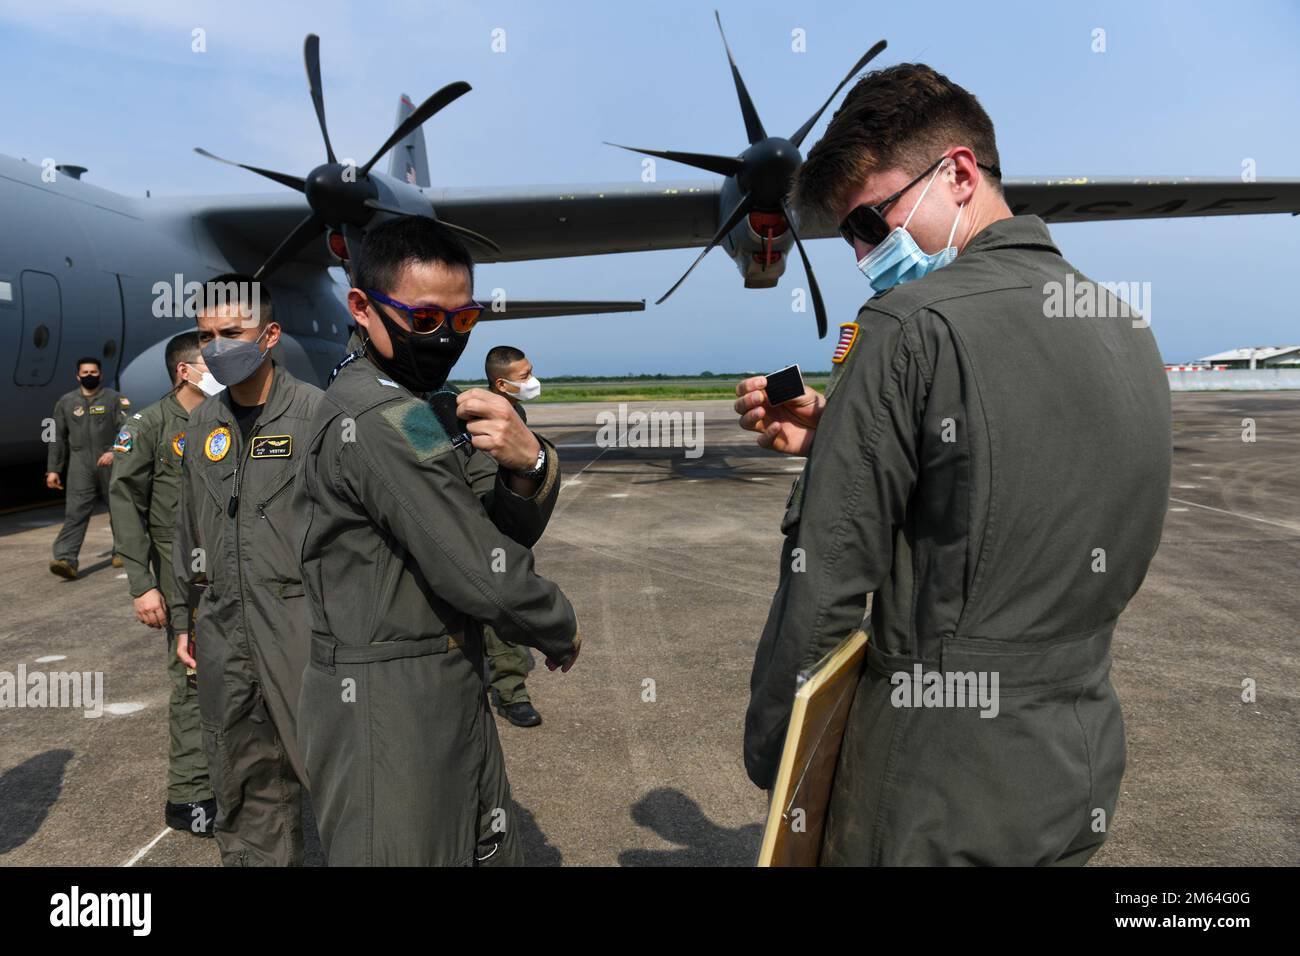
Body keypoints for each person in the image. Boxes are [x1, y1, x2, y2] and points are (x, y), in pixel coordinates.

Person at [735, 64, 1171, 865]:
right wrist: (851, 433)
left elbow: (827, 574)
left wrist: (776, 755)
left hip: (930, 789)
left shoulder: (905, 326)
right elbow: (1024, 475)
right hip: (1075, 767)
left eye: (872, 223)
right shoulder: (1124, 325)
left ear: (959, 174)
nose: (866, 254)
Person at [295, 216, 580, 866]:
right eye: (424, 320)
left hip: (448, 682)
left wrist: (528, 462)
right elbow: (480, 569)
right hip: (389, 707)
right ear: (363, 309)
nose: (445, 338)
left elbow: (489, 527)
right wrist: (558, 625)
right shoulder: (380, 417)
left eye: (463, 321)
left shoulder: (418, 409)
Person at [171, 274, 322, 866]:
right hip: (224, 625)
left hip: (301, 622)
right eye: (207, 336)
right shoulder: (204, 423)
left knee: (331, 771)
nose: (217, 346)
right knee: (240, 768)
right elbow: (188, 528)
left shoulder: (319, 417)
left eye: (232, 332)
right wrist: (183, 617)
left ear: (270, 335)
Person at [110, 332, 221, 837]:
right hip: (181, 585)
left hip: (236, 574)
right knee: (191, 687)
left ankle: (234, 782)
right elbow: (124, 503)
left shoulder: (228, 418)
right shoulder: (148, 425)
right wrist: (141, 584)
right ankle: (191, 797)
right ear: (185, 371)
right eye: (210, 362)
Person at [482, 344, 546, 727]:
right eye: (525, 377)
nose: (534, 382)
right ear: (502, 384)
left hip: (504, 524)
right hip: (489, 527)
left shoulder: (511, 411)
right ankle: (511, 691)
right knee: (504, 605)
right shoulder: (484, 417)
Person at [46, 357, 130, 578]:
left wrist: (115, 451)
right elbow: (57, 437)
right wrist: (53, 469)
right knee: (75, 512)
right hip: (80, 464)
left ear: (100, 375)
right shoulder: (66, 402)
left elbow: (127, 430)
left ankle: (122, 551)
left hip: (110, 461)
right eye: (85, 373)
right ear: (78, 376)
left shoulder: (115, 400)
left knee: (120, 509)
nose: (89, 376)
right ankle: (66, 559)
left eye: (93, 372)